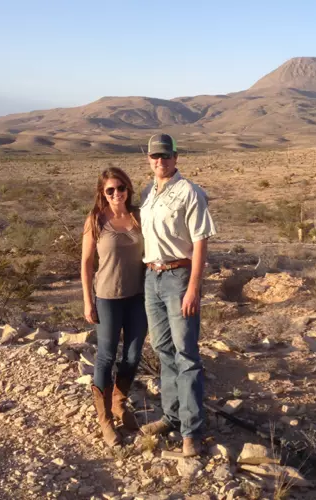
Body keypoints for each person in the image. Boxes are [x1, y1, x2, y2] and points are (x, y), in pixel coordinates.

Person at [139, 133, 216, 457]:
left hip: (179, 277)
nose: (161, 161)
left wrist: (194, 287)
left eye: (166, 156)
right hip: (151, 277)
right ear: (149, 159)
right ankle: (170, 416)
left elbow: (200, 242)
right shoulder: (147, 193)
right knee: (163, 349)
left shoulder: (190, 192)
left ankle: (191, 431)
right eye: (156, 156)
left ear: (176, 157)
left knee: (186, 355)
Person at [81, 167, 147, 447]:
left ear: (128, 189)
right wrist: (87, 300)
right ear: (102, 193)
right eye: (110, 190)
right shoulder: (96, 220)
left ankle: (120, 403)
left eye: (121, 188)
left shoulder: (139, 216)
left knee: (132, 355)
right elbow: (86, 263)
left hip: (138, 296)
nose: (117, 194)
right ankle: (105, 418)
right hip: (107, 297)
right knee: (106, 356)